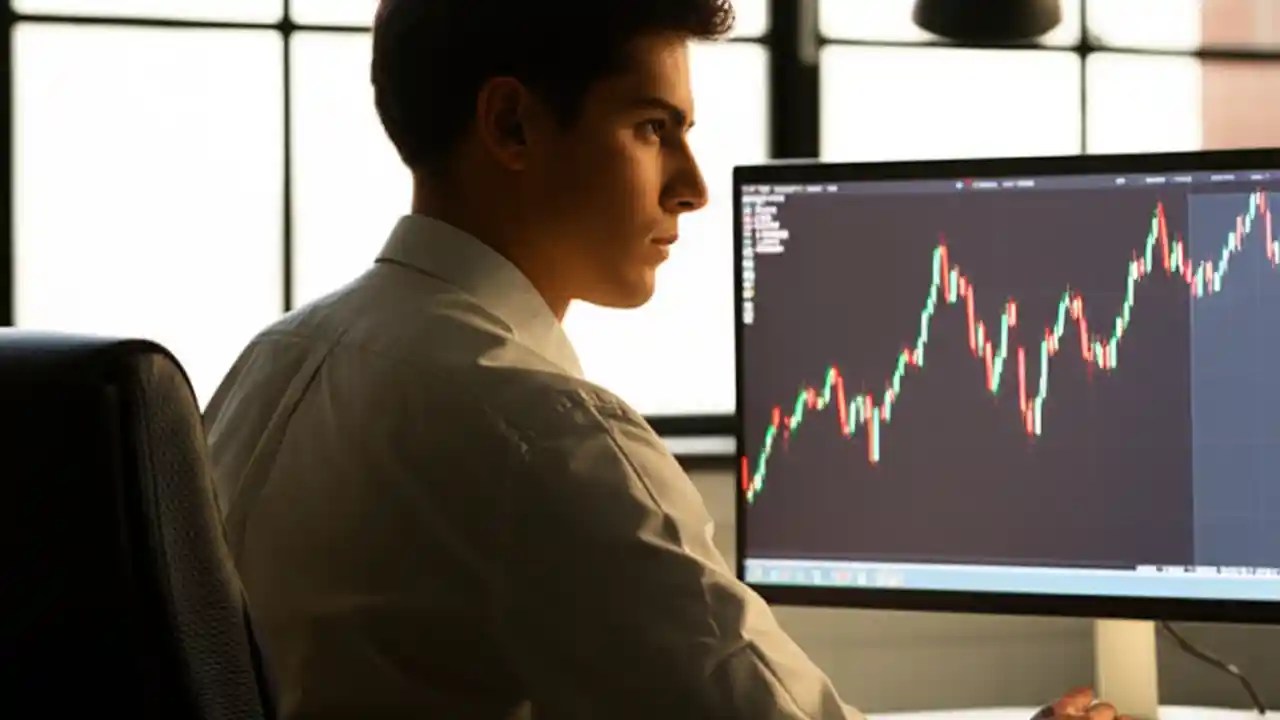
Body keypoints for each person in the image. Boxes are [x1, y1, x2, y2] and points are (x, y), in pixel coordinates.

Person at [203, 1, 1131, 718]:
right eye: (653, 128)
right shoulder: (544, 432)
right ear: (512, 125)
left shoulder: (271, 363)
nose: (689, 187)